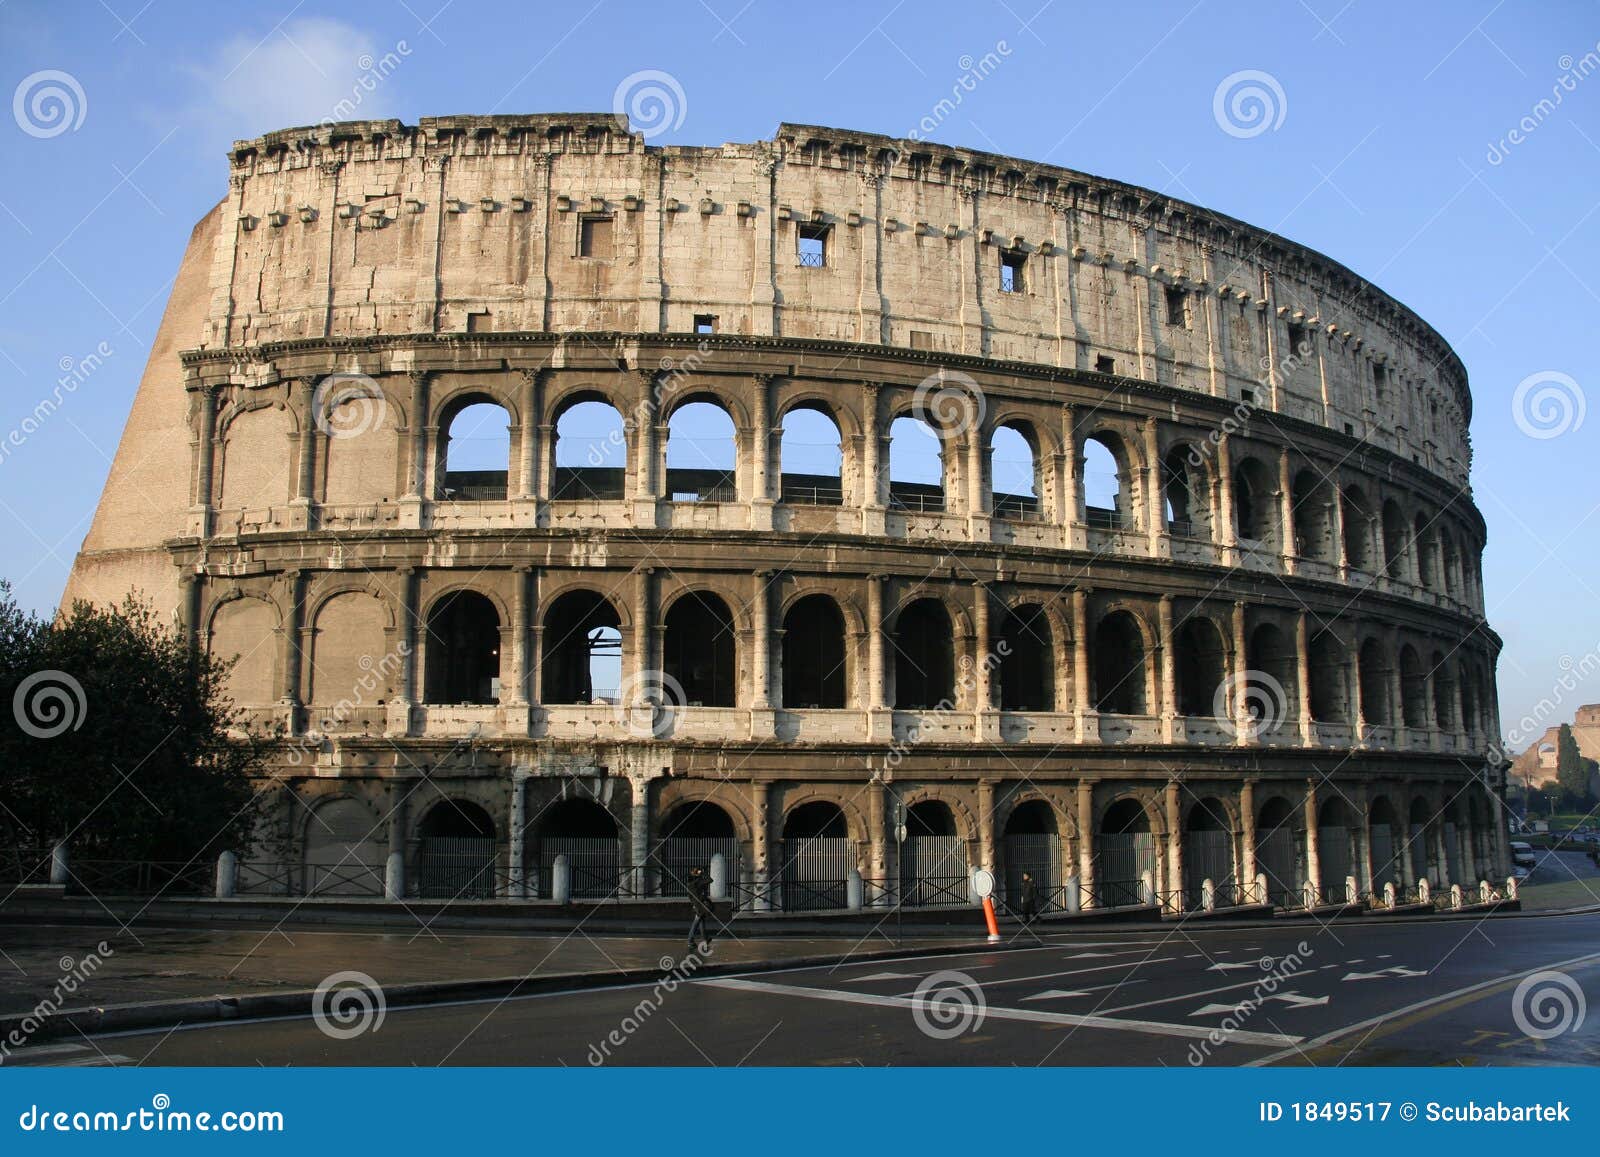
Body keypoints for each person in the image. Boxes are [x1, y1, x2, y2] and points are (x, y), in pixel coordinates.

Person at [686, 865, 714, 953]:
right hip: (701, 905)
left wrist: (693, 905)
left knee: (701, 921)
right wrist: (703, 873)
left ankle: (705, 939)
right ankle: (690, 941)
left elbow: (690, 896)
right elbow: (710, 880)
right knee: (696, 923)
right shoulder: (699, 882)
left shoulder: (689, 884)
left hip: (697, 905)